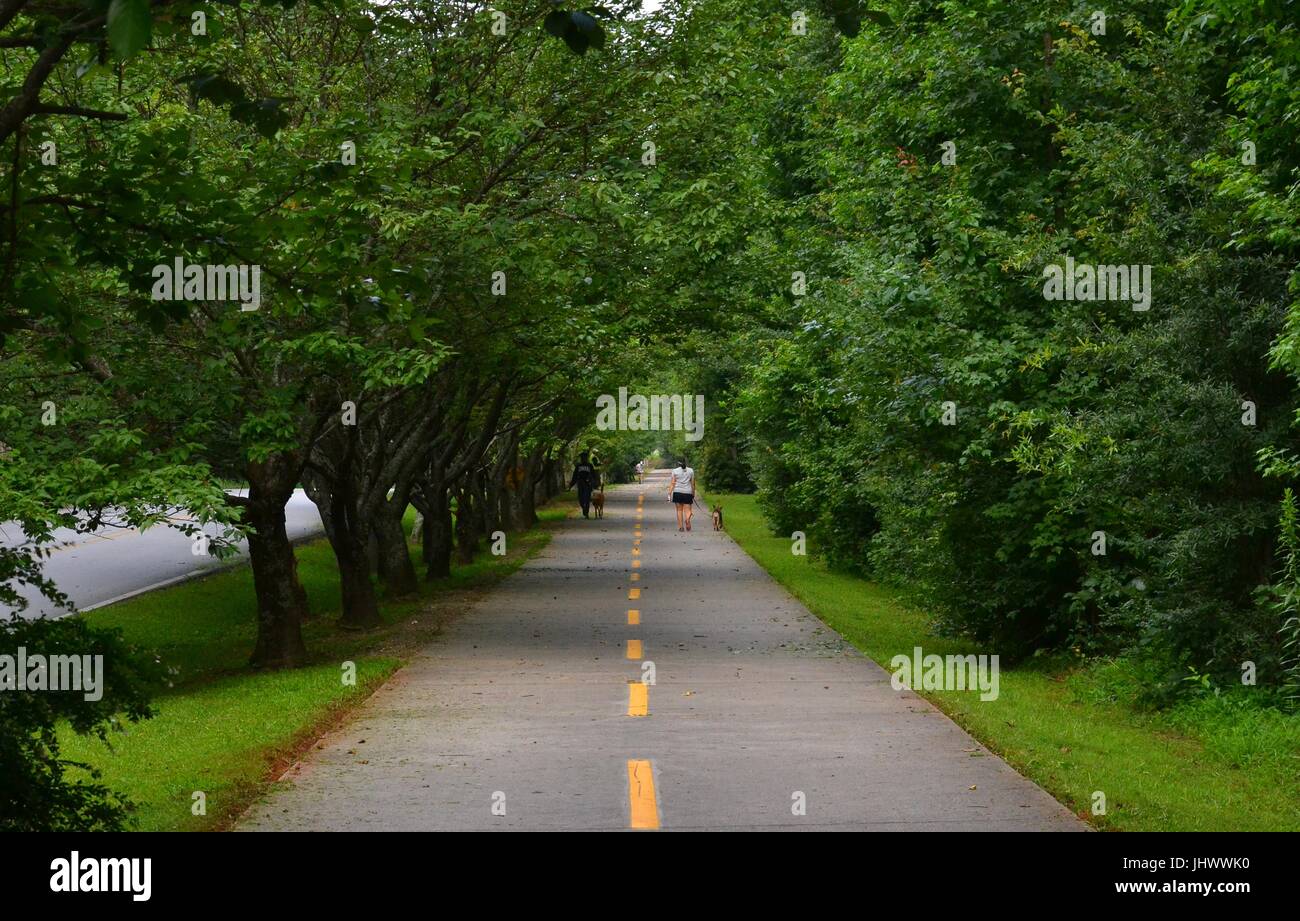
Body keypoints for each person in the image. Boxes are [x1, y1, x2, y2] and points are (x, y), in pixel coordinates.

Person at [667, 457, 696, 532]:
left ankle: (681, 527)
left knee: (679, 510)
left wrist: (669, 493)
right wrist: (693, 493)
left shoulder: (675, 471)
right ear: (685, 462)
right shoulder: (691, 470)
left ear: (678, 463)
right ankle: (687, 520)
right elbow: (692, 483)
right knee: (688, 510)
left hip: (677, 492)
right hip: (688, 492)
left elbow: (672, 483)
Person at [568, 451, 599, 518]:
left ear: (587, 458)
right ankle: (583, 508)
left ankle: (586, 513)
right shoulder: (578, 466)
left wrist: (594, 483)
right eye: (582, 457)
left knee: (587, 498)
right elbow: (575, 476)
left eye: (585, 457)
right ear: (581, 458)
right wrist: (571, 485)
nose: (584, 459)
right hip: (580, 483)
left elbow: (593, 475)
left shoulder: (590, 465)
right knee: (580, 499)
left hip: (588, 484)